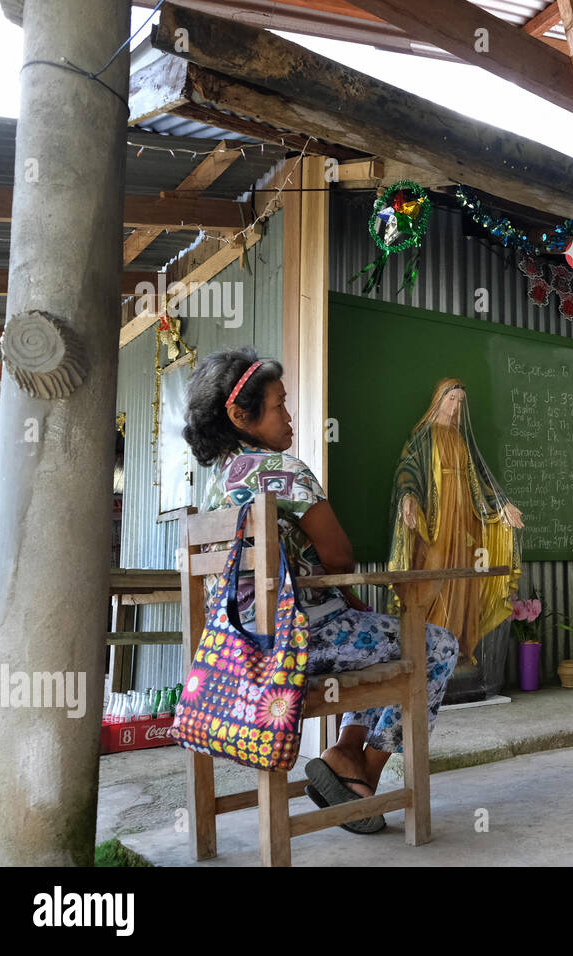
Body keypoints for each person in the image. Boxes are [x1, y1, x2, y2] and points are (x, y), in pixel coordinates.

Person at [182, 347, 457, 835]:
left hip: (236, 652)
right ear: (241, 416)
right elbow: (341, 557)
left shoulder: (214, 484)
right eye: (280, 405)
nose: (290, 416)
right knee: (435, 644)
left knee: (381, 633)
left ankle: (347, 753)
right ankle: (359, 774)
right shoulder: (284, 471)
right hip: (298, 644)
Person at [388, 379, 523, 665]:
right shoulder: (423, 435)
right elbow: (407, 470)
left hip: (463, 519)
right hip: (437, 522)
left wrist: (503, 504)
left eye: (461, 402)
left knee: (462, 580)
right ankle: (428, 649)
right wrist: (408, 496)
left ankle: (458, 647)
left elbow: (481, 479)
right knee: (434, 578)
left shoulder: (461, 439)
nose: (456, 406)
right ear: (439, 399)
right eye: (452, 399)